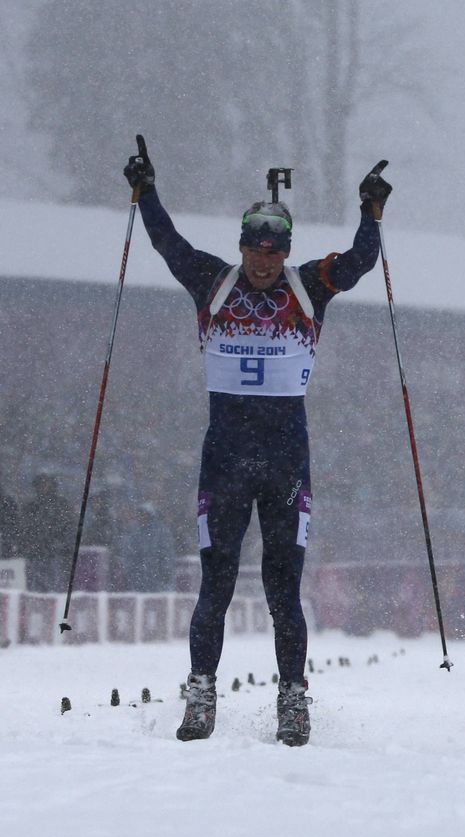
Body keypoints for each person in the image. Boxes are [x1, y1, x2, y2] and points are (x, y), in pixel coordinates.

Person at [124, 143, 390, 746]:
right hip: (224, 462)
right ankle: (200, 696)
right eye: (254, 248)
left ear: (285, 252)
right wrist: (146, 192)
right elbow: (168, 243)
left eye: (274, 251)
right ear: (241, 245)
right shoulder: (213, 283)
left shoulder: (308, 287)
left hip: (286, 465)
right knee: (214, 584)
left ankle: (293, 703)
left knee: (281, 588)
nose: (264, 261)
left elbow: (358, 262)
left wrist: (370, 212)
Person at [16, 473, 74, 593]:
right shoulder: (30, 506)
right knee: (34, 586)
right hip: (35, 554)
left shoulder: (62, 505)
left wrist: (61, 545)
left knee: (55, 586)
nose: (43, 487)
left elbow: (69, 528)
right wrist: (28, 544)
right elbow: (24, 529)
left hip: (55, 554)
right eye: (40, 484)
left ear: (53, 485)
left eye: (46, 484)